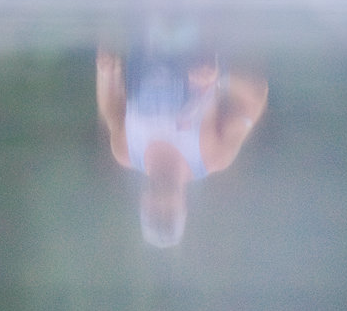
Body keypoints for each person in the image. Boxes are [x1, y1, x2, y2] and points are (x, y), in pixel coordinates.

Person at [95, 44, 269, 248]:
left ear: (142, 205)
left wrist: (108, 73)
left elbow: (111, 107)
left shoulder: (125, 151)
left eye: (154, 213)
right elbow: (255, 95)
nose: (161, 203)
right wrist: (219, 78)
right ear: (183, 208)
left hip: (145, 40)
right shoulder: (214, 156)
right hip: (202, 38)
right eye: (168, 213)